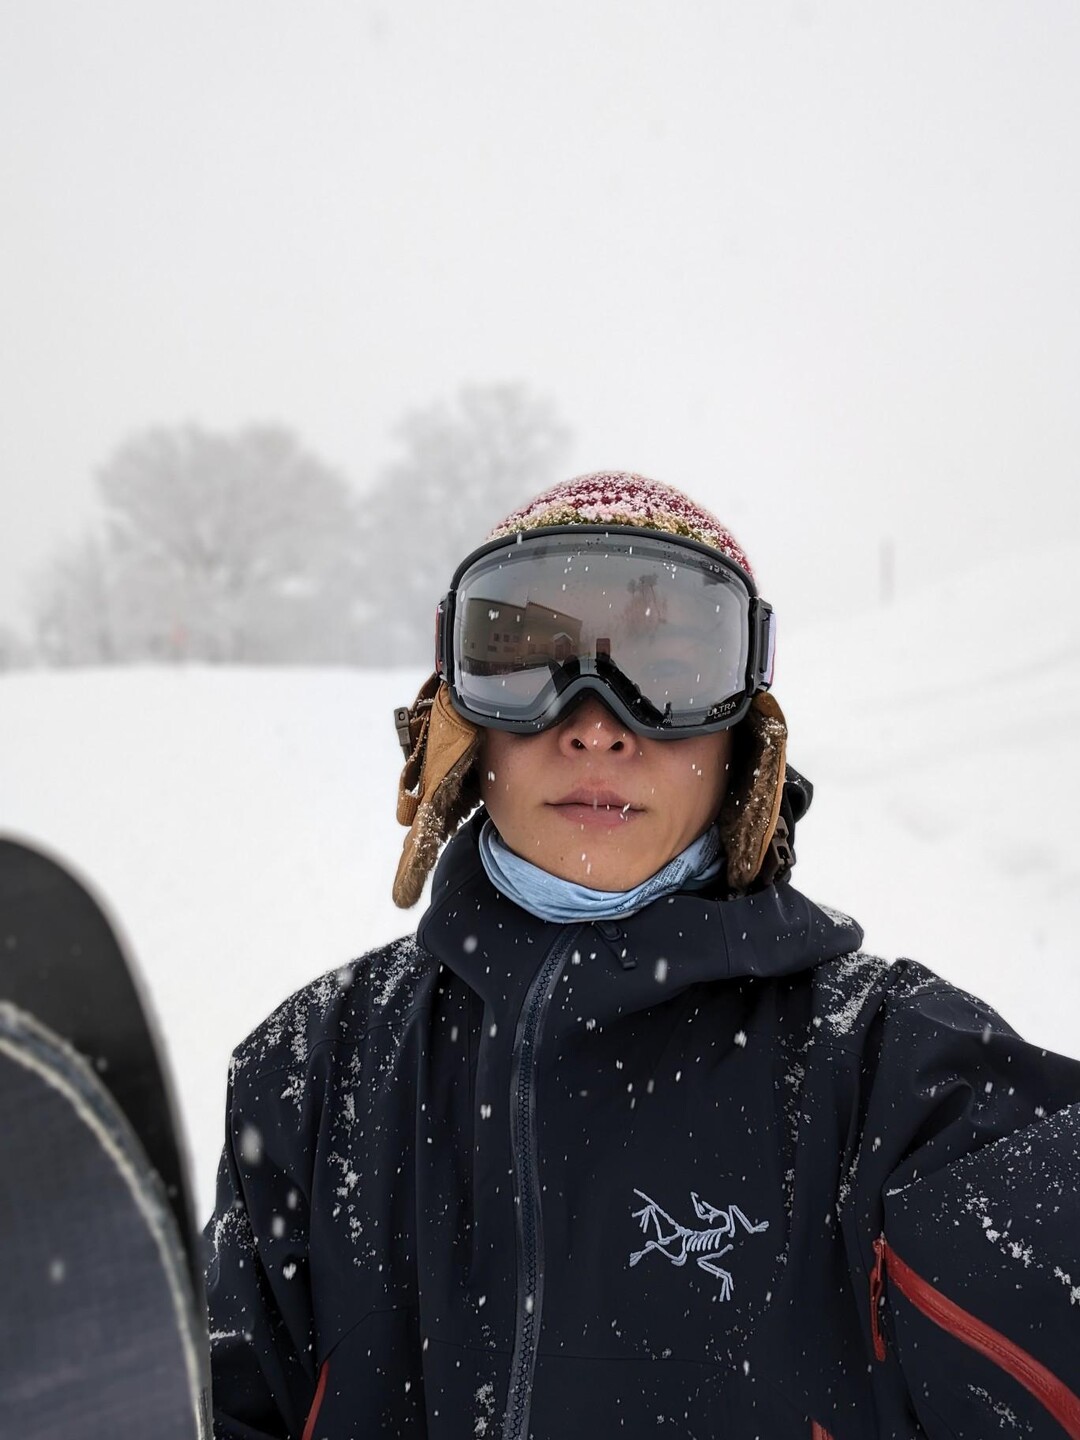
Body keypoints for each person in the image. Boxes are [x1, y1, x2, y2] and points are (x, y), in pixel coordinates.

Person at [205, 471, 1080, 1439]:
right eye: (530, 657)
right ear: (462, 726)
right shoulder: (315, 1075)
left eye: (668, 666)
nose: (594, 722)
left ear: (743, 740)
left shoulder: (893, 1081)